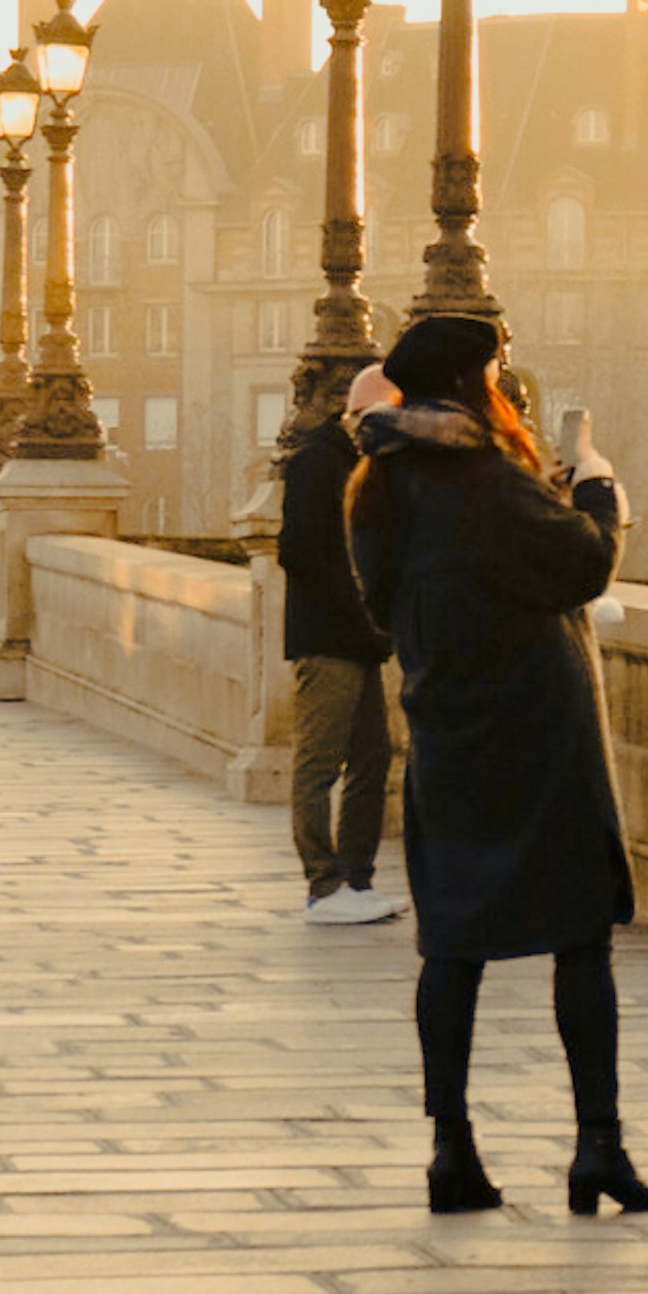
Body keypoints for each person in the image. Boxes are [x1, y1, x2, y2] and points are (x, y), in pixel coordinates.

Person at [343, 311, 648, 1217]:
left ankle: (451, 1150)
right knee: (580, 939)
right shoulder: (484, 477)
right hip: (538, 734)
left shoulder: (377, 486)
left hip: (446, 732)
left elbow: (383, 608)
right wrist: (598, 487)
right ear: (471, 383)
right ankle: (596, 1146)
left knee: (451, 950)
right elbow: (586, 563)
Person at [277, 388, 404, 930]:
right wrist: (357, 616)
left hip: (358, 640)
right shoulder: (315, 462)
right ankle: (323, 884)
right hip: (328, 639)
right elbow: (299, 552)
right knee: (319, 764)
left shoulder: (358, 464)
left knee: (373, 757)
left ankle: (356, 878)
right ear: (362, 412)